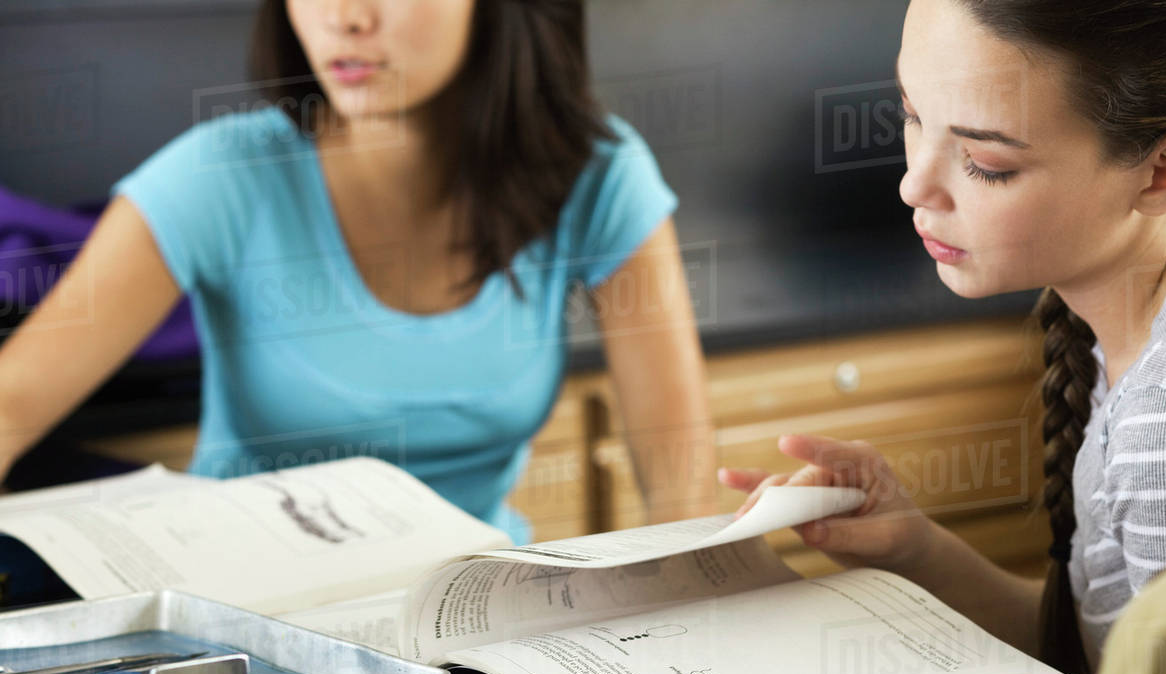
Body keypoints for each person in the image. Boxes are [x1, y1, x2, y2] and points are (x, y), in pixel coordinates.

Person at [0, 0, 716, 554]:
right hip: (245, 636)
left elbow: (682, 485)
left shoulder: (598, 176)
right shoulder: (216, 178)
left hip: (477, 629)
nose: (345, 17)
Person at [720, 0, 1166, 674]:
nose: (913, 184)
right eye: (913, 115)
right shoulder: (1144, 329)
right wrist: (912, 545)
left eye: (985, 161)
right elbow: (1098, 657)